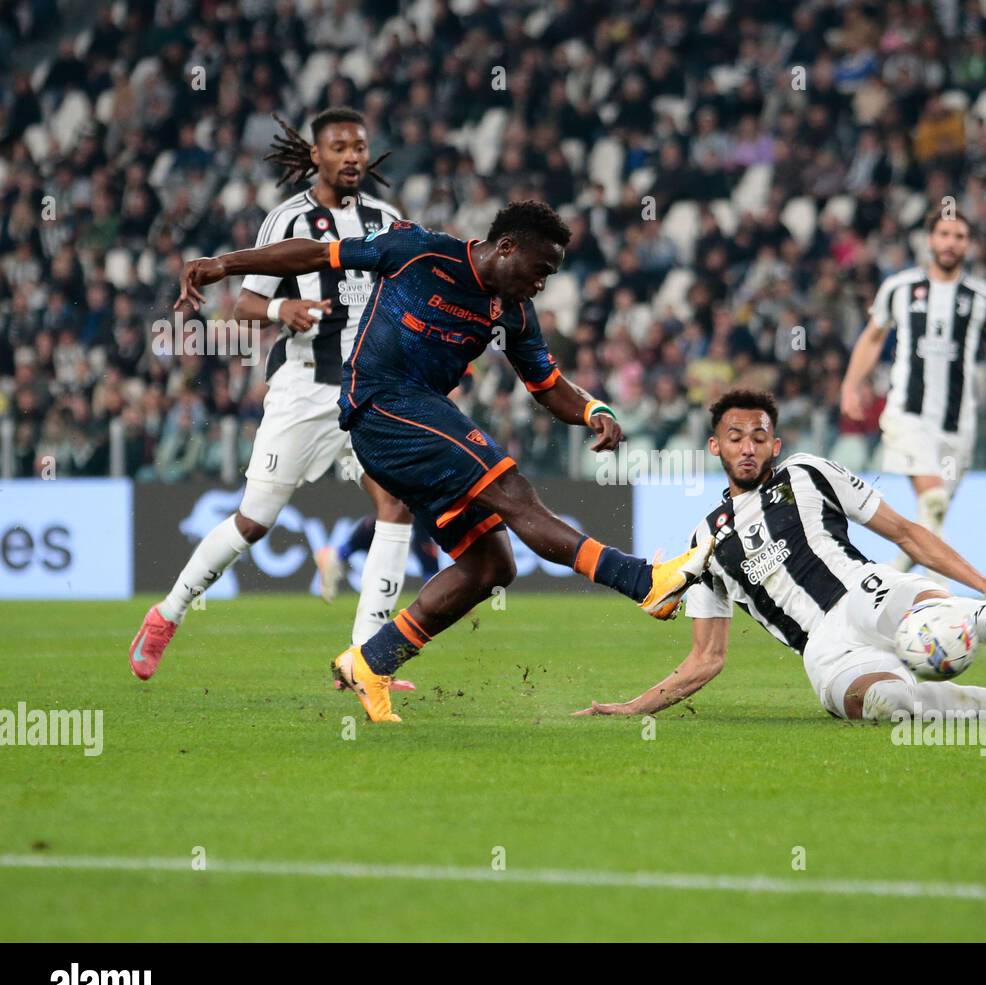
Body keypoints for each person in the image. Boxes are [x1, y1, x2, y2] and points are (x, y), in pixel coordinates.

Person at [172, 200, 711, 723]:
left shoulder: (513, 313)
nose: (542, 283)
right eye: (539, 269)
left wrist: (592, 408)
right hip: (379, 406)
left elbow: (547, 385)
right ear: (505, 247)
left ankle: (369, 661)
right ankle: (642, 581)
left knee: (491, 567)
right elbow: (315, 253)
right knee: (512, 490)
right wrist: (225, 264)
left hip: (417, 423)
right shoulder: (417, 252)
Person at [577, 390, 986, 723]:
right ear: (715, 447)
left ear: (775, 444)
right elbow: (706, 659)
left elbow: (905, 532)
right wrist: (633, 707)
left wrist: (983, 581)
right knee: (892, 706)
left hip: (869, 592)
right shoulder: (704, 542)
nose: (748, 447)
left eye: (759, 437)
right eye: (734, 438)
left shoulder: (807, 472)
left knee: (952, 619)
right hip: (825, 650)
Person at [129, 108, 422, 688]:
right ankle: (167, 614)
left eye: (359, 147)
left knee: (396, 505)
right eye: (338, 147)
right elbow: (241, 305)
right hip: (304, 389)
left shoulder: (387, 219)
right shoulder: (287, 219)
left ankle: (366, 661)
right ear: (316, 156)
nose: (352, 157)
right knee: (255, 520)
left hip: (369, 393)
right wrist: (278, 309)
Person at [839, 208, 986, 573]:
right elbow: (872, 338)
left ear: (968, 245)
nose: (950, 243)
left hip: (959, 423)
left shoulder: (983, 298)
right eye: (943, 234)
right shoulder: (899, 288)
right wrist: (850, 386)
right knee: (935, 501)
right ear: (929, 240)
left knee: (930, 519)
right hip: (908, 415)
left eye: (958, 236)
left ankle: (889, 580)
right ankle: (944, 606)